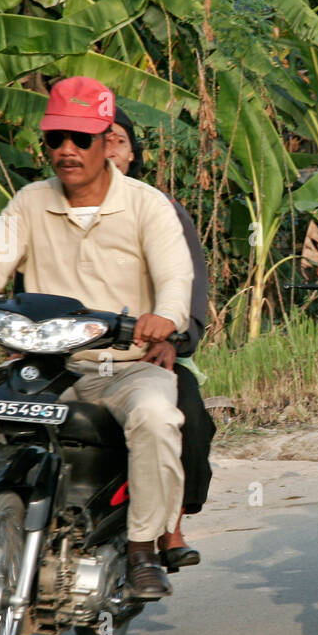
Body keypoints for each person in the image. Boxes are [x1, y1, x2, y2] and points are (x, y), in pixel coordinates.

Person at [0, 76, 192, 600]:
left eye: (81, 138)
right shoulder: (29, 202)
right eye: (56, 139)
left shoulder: (147, 205)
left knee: (159, 417)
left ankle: (143, 547)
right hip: (45, 365)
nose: (67, 151)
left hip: (124, 367)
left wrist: (165, 317)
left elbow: (175, 277)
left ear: (103, 142)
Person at [104, 109, 214, 570]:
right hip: (71, 351)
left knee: (185, 413)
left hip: (148, 351)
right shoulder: (51, 207)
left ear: (133, 154)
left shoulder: (161, 210)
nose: (108, 149)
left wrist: (176, 337)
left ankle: (170, 526)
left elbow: (189, 286)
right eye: (99, 139)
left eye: (118, 140)